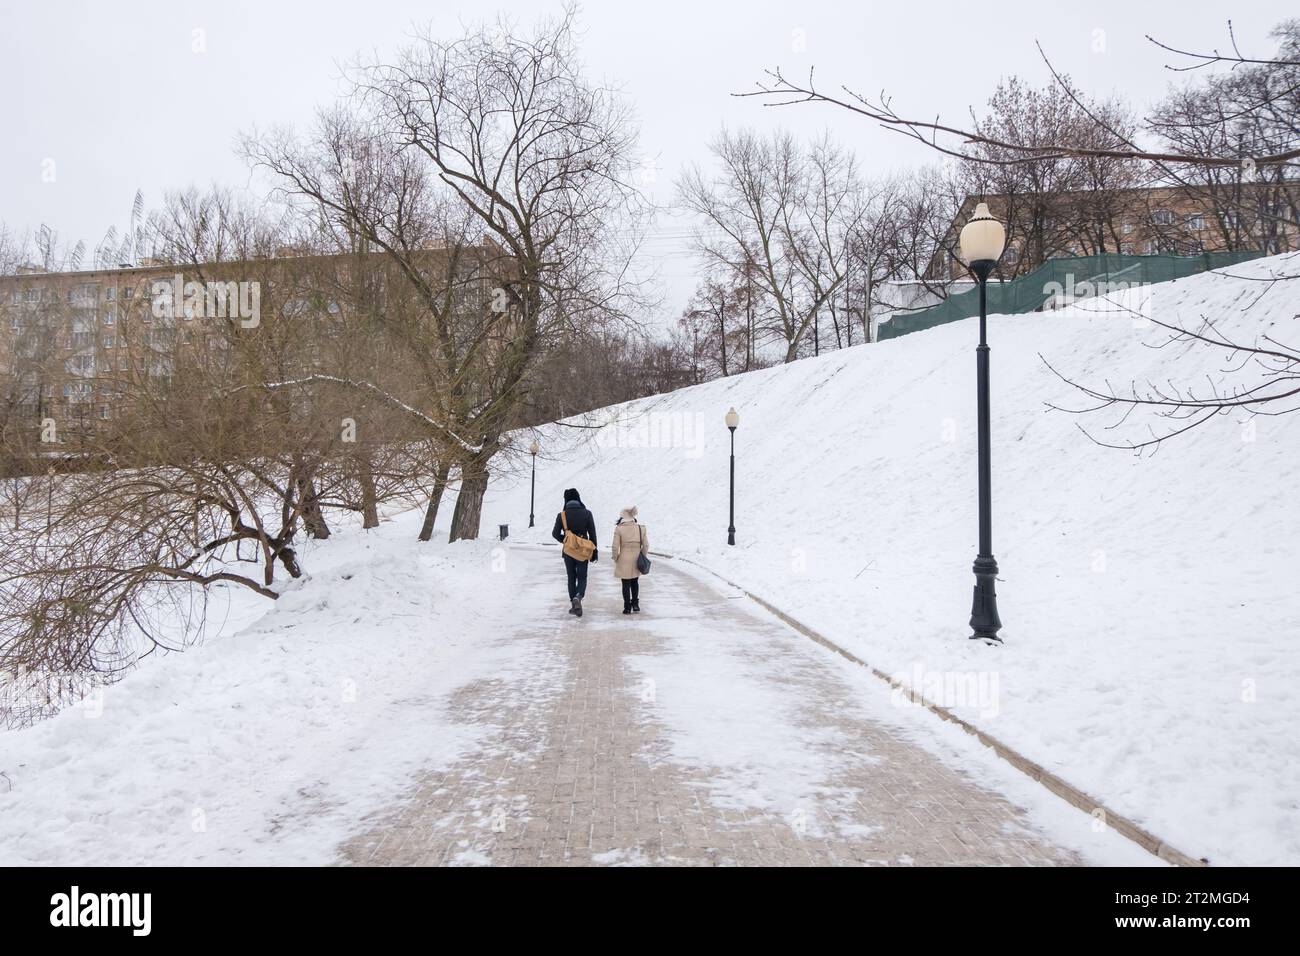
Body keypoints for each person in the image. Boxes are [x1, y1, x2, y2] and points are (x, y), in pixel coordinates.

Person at [551, 488, 597, 617]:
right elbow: (593, 533)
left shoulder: (562, 515)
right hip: (583, 551)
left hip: (568, 552)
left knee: (571, 577)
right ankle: (578, 596)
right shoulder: (587, 513)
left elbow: (555, 534)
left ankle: (574, 604)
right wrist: (595, 551)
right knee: (582, 577)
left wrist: (566, 541)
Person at [610, 506, 648, 615]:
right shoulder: (641, 528)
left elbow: (614, 547)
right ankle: (635, 604)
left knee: (625, 583)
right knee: (635, 581)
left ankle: (627, 607)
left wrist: (616, 558)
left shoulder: (619, 528)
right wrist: (642, 556)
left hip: (624, 558)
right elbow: (645, 545)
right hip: (637, 557)